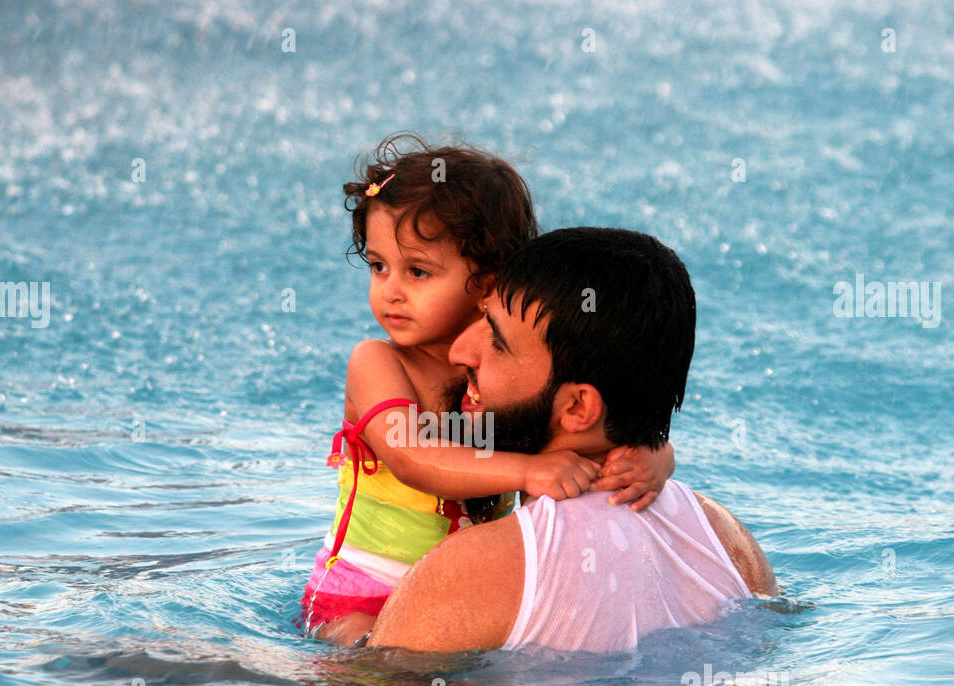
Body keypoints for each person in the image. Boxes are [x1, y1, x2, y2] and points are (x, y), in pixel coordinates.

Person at [303, 136, 676, 644]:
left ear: (487, 283)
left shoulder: (507, 380)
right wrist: (529, 469)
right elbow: (414, 456)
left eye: (417, 271)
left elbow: (593, 422)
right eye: (377, 266)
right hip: (356, 597)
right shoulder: (379, 362)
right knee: (373, 657)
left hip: (465, 598)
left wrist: (653, 457)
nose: (390, 290)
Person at [367, 227, 777, 653]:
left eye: (498, 342)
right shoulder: (730, 545)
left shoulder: (468, 573)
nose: (460, 352)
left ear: (579, 408)